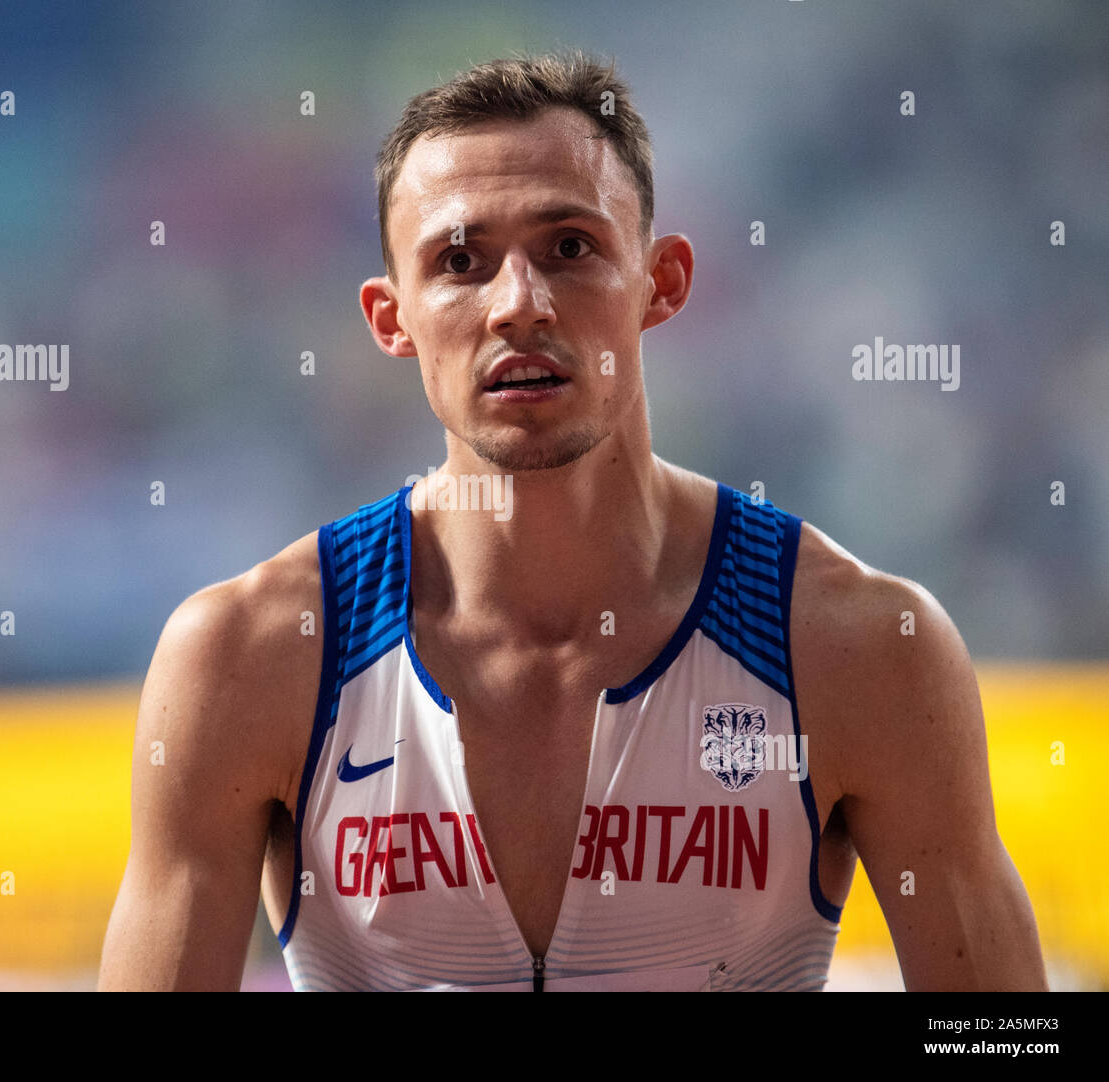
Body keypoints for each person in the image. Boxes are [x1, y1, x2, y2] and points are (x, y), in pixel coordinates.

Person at [98, 50, 1047, 991]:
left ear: (663, 282)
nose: (519, 304)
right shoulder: (247, 658)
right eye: (460, 262)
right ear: (391, 320)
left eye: (570, 246)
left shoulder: (863, 648)